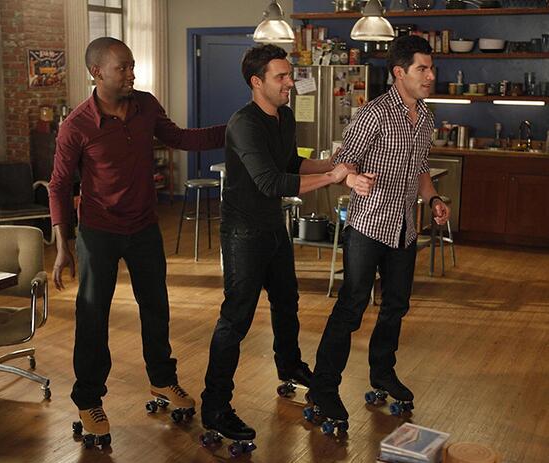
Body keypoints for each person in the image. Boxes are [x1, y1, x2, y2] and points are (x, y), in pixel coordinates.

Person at [49, 37, 226, 438]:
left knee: (156, 307)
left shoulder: (145, 105)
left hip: (144, 226)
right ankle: (89, 399)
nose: (132, 74)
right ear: (97, 72)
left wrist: (237, 128)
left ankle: (162, 380)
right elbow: (58, 185)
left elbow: (182, 138)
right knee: (93, 317)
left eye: (132, 66)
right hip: (99, 232)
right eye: (123, 68)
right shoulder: (76, 126)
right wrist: (62, 246)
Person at [200, 44, 351, 442]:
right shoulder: (244, 124)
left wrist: (333, 165)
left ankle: (289, 365)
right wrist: (331, 179)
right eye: (281, 77)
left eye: (290, 75)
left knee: (287, 301)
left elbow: (290, 164)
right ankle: (215, 406)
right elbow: (270, 182)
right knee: (236, 320)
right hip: (243, 233)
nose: (290, 83)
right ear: (257, 82)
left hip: (272, 227)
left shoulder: (284, 116)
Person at [308, 35, 451, 423]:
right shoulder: (374, 114)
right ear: (399, 72)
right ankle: (324, 388)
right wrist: (351, 179)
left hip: (404, 227)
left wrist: (433, 200)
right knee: (351, 307)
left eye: (432, 68)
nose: (431, 75)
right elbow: (343, 162)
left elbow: (421, 169)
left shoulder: (426, 117)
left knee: (396, 306)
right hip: (368, 226)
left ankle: (382, 372)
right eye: (423, 68)